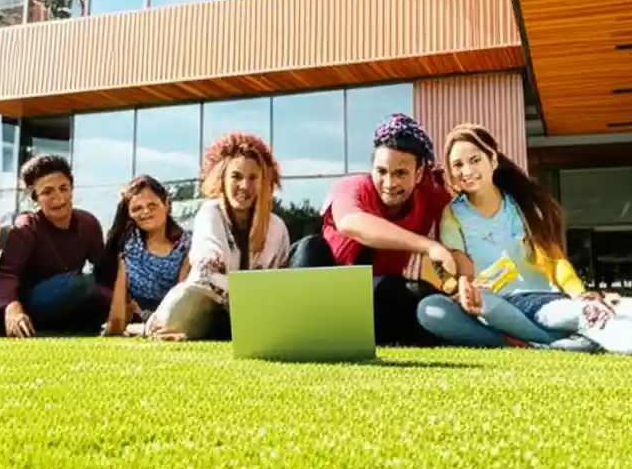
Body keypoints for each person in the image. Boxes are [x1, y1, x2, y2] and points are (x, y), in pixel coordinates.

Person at [417, 123, 632, 368]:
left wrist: (578, 292)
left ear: (492, 158)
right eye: (458, 165)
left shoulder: (523, 208)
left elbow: (554, 259)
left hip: (544, 301)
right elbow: (459, 262)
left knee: (614, 311)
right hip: (500, 305)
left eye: (475, 159)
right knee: (588, 316)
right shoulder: (453, 215)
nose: (467, 170)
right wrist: (462, 285)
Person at [289, 113, 467, 346]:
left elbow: (462, 228)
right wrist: (428, 246)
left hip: (375, 295)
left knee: (424, 297)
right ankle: (298, 332)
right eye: (381, 171)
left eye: (400, 173)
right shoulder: (351, 186)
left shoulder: (430, 194)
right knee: (309, 246)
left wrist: (463, 280)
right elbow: (352, 223)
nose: (389, 183)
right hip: (323, 292)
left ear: (420, 172)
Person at [142, 132, 290, 340]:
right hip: (212, 304)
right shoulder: (210, 213)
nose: (244, 186)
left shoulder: (277, 227)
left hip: (255, 313)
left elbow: (279, 284)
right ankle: (150, 324)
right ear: (222, 179)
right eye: (236, 177)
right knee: (181, 306)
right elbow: (206, 274)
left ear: (264, 181)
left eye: (253, 178)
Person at [0, 155, 113, 338]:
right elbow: (6, 275)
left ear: (72, 188)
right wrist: (12, 308)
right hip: (33, 302)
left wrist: (120, 302)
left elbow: (104, 270)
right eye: (47, 192)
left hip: (69, 300)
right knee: (79, 283)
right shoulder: (26, 227)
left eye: (63, 189)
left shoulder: (88, 223)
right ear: (34, 196)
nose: (58, 198)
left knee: (94, 288)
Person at [100, 175, 192, 337]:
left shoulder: (186, 245)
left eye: (152, 205)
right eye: (137, 208)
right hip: (139, 314)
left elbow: (184, 294)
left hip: (175, 312)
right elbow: (119, 305)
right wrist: (116, 326)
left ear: (166, 205)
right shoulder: (127, 246)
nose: (146, 212)